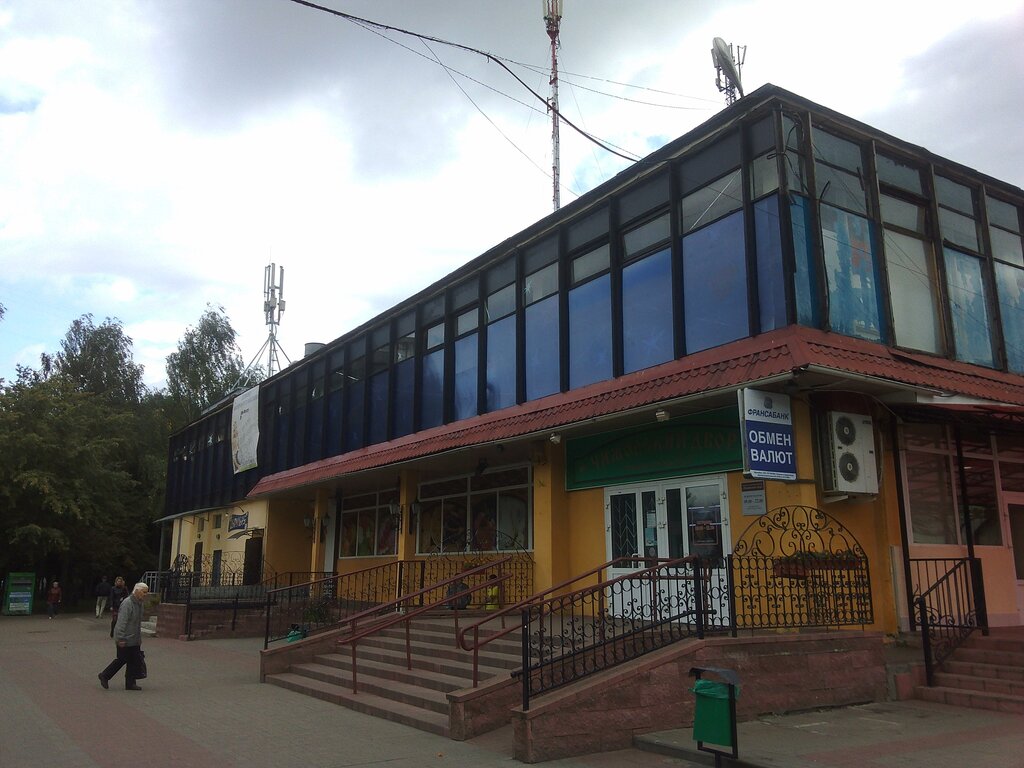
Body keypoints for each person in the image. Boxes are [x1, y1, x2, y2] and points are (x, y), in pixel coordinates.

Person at [98, 582, 149, 691]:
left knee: (133, 660)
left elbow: (137, 623)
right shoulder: (128, 603)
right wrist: (120, 638)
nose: (145, 595)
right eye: (144, 592)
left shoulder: (140, 604)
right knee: (122, 659)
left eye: (146, 592)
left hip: (134, 638)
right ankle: (105, 675)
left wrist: (138, 639)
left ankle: (130, 683)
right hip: (125, 637)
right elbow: (121, 622)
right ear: (137, 591)